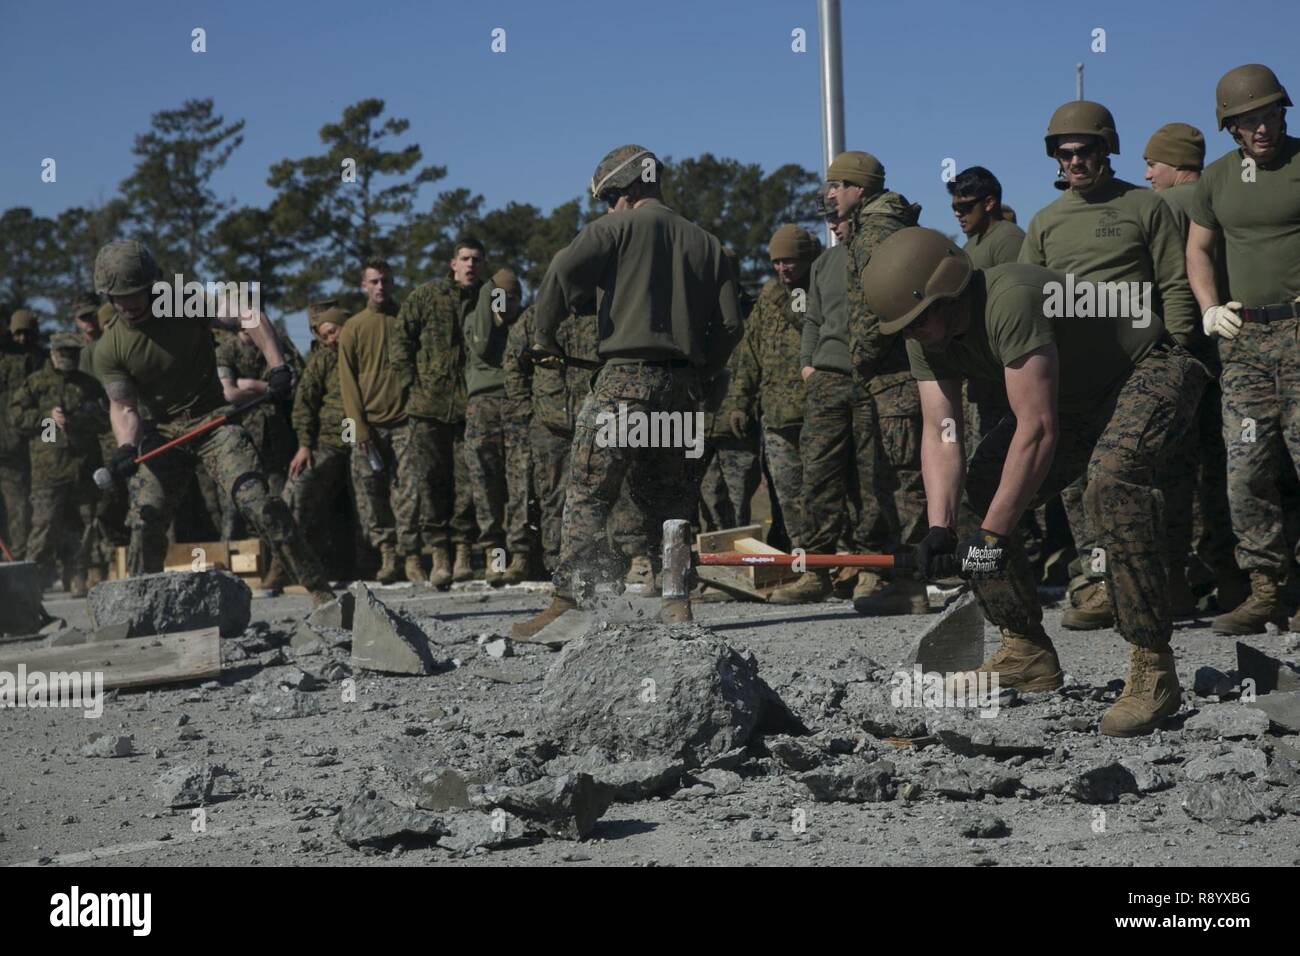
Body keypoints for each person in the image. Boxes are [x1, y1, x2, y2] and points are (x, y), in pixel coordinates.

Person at [865, 227, 1208, 736]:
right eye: (903, 327)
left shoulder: (1010, 300)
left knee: (1112, 484)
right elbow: (942, 431)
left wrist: (991, 539)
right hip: (1074, 398)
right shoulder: (926, 338)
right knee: (980, 488)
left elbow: (1039, 429)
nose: (910, 333)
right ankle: (1025, 651)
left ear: (948, 291)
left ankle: (1152, 666)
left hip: (1147, 369)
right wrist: (939, 528)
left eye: (916, 320)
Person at [512, 144, 742, 637]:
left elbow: (560, 270)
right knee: (673, 499)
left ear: (627, 190)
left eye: (608, 198)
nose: (606, 209)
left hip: (624, 381)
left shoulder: (617, 228)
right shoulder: (708, 244)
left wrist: (542, 336)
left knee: (589, 492)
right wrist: (703, 370)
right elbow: (729, 325)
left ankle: (573, 602)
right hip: (682, 387)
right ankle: (677, 603)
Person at [91, 239, 335, 606]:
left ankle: (321, 593)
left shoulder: (182, 302)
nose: (128, 304)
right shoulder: (109, 348)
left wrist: (278, 365)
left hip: (214, 423)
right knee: (146, 517)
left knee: (259, 502)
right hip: (162, 436)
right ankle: (139, 609)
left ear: (152, 286)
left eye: (134, 294)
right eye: (118, 297)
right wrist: (127, 447)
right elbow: (123, 406)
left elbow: (248, 315)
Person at [1187, 64, 1300, 634]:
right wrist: (1210, 307)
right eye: (1248, 121)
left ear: (1285, 110)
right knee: (1246, 470)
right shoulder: (1217, 180)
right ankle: (1267, 590)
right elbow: (1199, 250)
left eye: (1270, 115)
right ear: (1230, 128)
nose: (1262, 129)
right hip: (1245, 342)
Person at [10, 332, 106, 595]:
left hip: (83, 466)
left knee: (86, 526)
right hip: (48, 469)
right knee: (45, 526)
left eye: (73, 353)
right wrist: (46, 417)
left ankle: (79, 578)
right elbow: (17, 417)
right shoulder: (35, 383)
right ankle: (27, 588)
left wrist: (79, 418)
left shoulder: (89, 384)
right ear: (52, 353)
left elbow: (104, 417)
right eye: (63, 353)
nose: (68, 358)